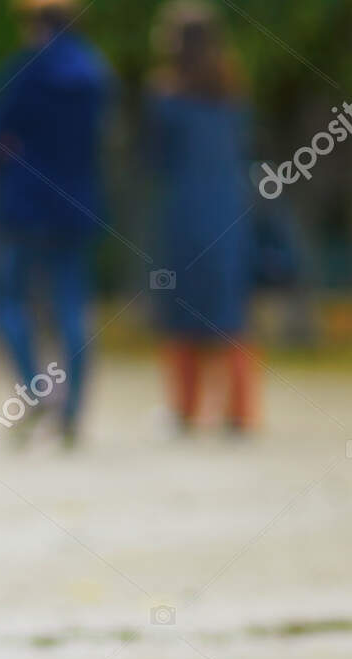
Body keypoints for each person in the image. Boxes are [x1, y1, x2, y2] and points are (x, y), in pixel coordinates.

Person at [0, 0, 112, 446]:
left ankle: (35, 393)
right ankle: (72, 414)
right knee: (71, 307)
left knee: (9, 300)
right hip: (76, 205)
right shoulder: (96, 74)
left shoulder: (22, 70)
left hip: (22, 205)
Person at [143, 1, 260, 433]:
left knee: (180, 311)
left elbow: (155, 159)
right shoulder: (233, 92)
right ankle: (239, 411)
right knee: (230, 314)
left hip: (183, 213)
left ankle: (184, 410)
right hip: (230, 211)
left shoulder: (165, 96)